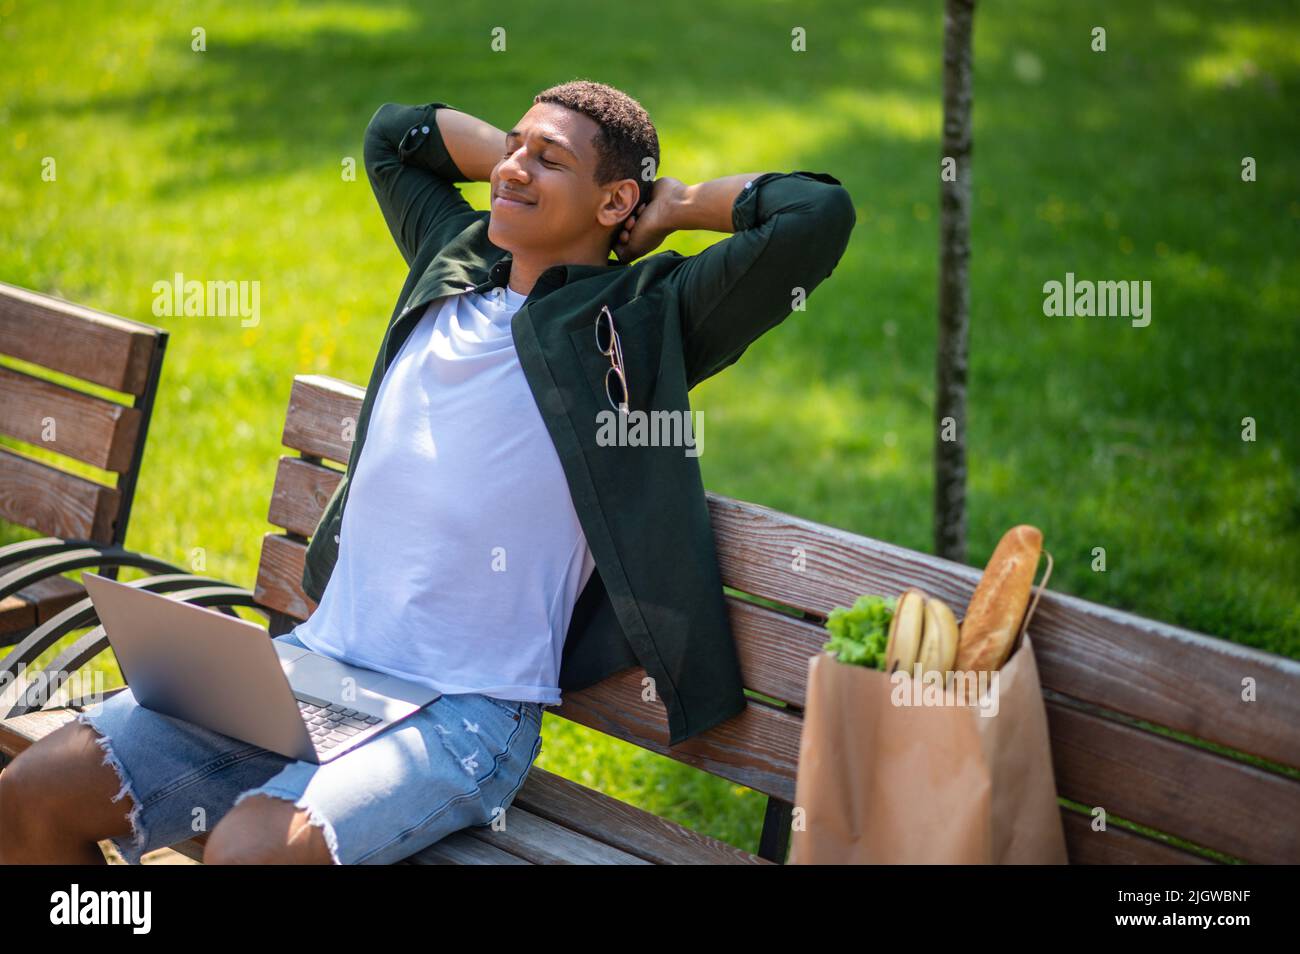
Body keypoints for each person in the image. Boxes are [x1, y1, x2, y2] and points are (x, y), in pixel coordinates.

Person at [0, 79, 855, 864]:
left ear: (615, 200)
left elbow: (815, 217)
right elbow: (391, 136)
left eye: (548, 159)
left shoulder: (643, 316)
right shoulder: (452, 254)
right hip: (311, 672)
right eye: (512, 147)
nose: (513, 168)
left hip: (462, 713)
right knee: (33, 793)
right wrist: (528, 166)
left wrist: (669, 208)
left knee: (249, 853)